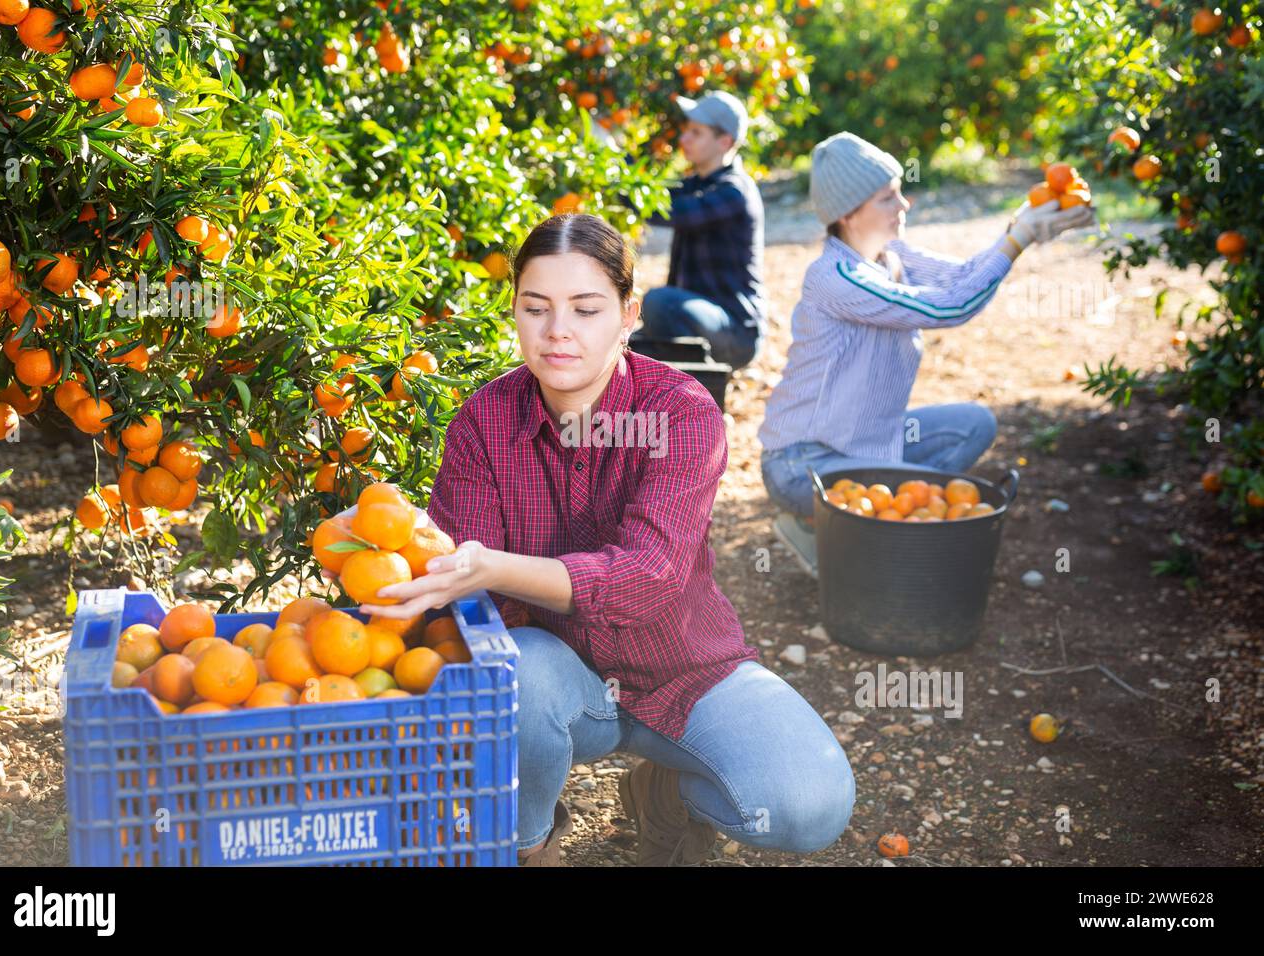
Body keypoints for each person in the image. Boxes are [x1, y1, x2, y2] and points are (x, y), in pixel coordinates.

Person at [354, 214, 854, 867]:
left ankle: (668, 794)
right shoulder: (484, 423)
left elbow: (650, 575)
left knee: (807, 805)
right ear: (515, 313)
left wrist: (491, 566)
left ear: (628, 314)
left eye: (585, 309)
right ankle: (531, 841)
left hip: (684, 668)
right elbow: (473, 605)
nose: (557, 331)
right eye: (536, 308)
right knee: (516, 671)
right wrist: (395, 560)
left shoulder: (678, 411)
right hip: (561, 681)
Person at [758, 132, 1095, 577]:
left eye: (899, 191)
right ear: (848, 213)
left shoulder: (891, 256)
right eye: (887, 197)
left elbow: (961, 278)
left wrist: (1020, 228)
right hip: (801, 464)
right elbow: (950, 307)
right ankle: (828, 530)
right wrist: (1019, 241)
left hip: (862, 445)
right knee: (905, 492)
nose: (904, 205)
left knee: (972, 426)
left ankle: (841, 526)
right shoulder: (835, 277)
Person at [630, 90, 767, 369]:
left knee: (659, 302)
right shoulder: (697, 184)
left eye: (696, 132)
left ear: (724, 141)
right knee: (628, 347)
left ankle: (695, 395)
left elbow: (666, 210)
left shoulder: (734, 191)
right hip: (698, 318)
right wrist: (615, 158)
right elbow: (650, 195)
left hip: (734, 330)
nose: (684, 139)